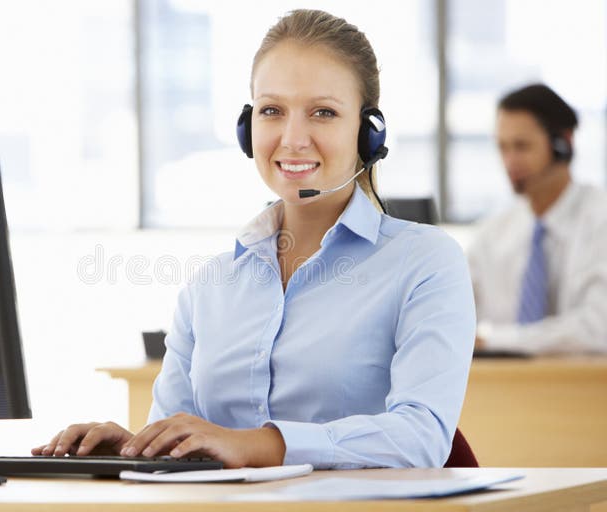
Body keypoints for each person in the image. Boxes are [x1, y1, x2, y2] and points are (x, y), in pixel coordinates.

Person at [32, 9, 475, 469]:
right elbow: (182, 439)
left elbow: (421, 438)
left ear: (367, 132)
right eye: (272, 111)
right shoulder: (210, 286)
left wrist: (260, 446)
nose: (293, 138)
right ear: (247, 129)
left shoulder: (424, 262)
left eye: (323, 112)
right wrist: (135, 449)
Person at [469, 84, 607, 354]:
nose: (510, 162)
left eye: (521, 146)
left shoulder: (600, 221)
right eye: (503, 148)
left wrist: (495, 342)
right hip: (502, 390)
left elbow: (598, 329)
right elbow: (451, 308)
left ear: (562, 145)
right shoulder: (493, 233)